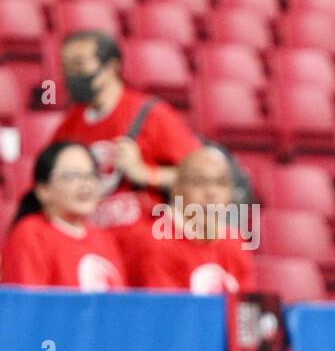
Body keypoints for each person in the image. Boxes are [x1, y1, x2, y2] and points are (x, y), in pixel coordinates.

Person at [51, 31, 201, 237]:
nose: (70, 75)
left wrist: (145, 173)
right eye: (66, 67)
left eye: (79, 65)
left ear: (111, 67)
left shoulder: (152, 114)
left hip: (143, 245)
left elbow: (201, 176)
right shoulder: (70, 125)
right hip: (93, 245)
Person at [120, 146, 254, 293]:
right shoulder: (154, 243)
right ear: (177, 189)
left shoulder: (236, 242)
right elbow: (166, 312)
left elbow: (246, 307)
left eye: (221, 183)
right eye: (199, 182)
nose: (211, 192)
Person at [1, 141, 127, 290]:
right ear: (43, 190)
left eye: (91, 175)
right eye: (72, 176)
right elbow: (27, 306)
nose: (86, 184)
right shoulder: (31, 233)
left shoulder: (104, 238)